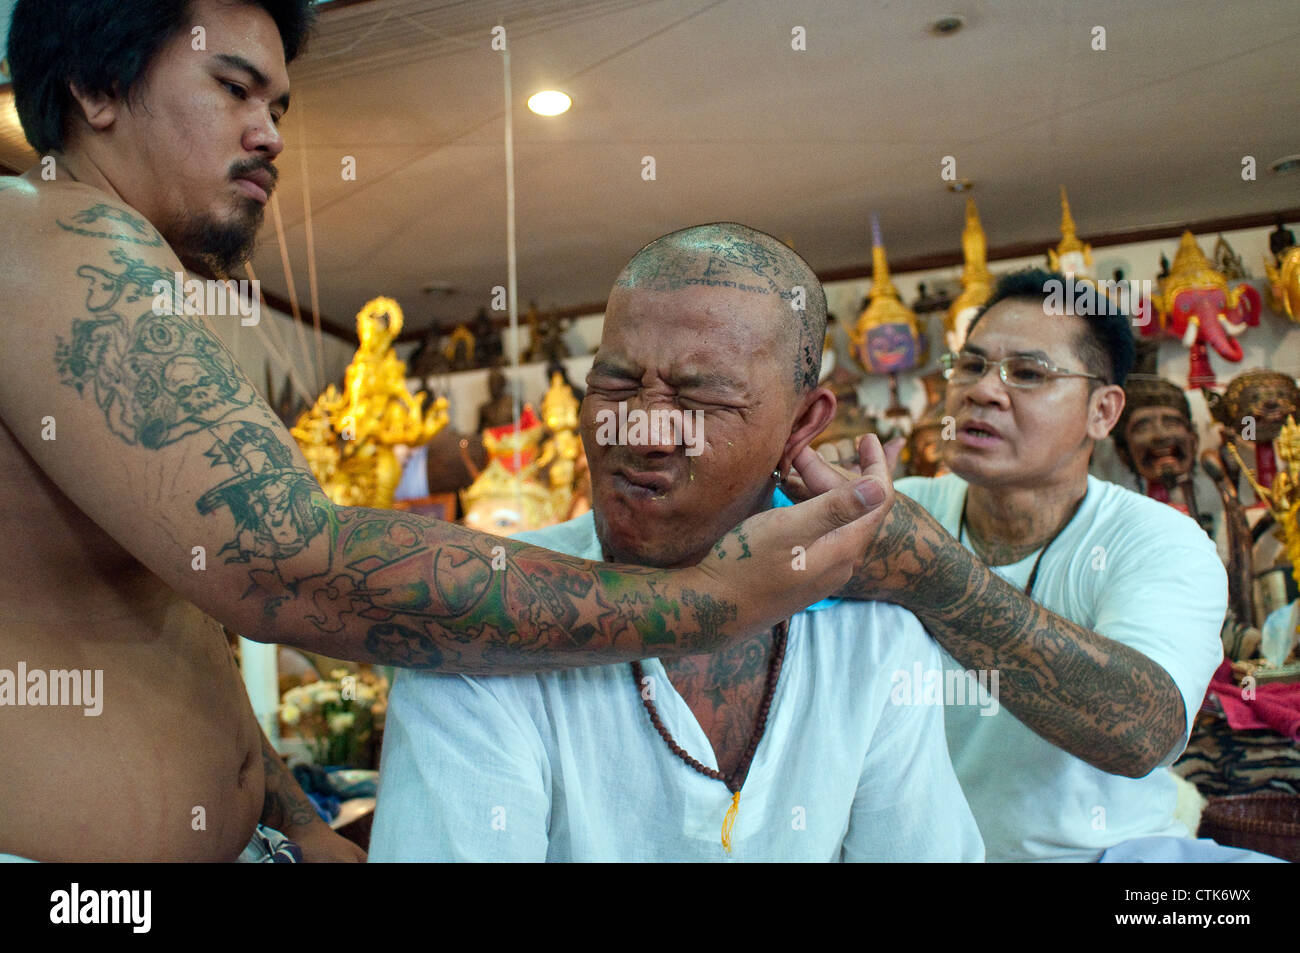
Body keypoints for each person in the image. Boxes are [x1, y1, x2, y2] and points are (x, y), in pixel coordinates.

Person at [0, 0, 890, 862]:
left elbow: (192, 616)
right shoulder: (47, 237)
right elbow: (295, 569)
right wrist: (715, 603)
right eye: (234, 89)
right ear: (95, 87)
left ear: (801, 421)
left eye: (276, 106)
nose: (270, 133)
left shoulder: (127, 277)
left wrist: (291, 819)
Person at [370, 224, 985, 862]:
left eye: (700, 396)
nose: (641, 430)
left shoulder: (871, 633)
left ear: (802, 423)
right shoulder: (480, 619)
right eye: (614, 384)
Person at [808, 269, 1278, 862]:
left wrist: (927, 571)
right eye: (971, 366)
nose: (983, 391)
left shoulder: (1159, 540)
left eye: (1028, 374)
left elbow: (1144, 731)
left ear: (1102, 412)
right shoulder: (896, 510)